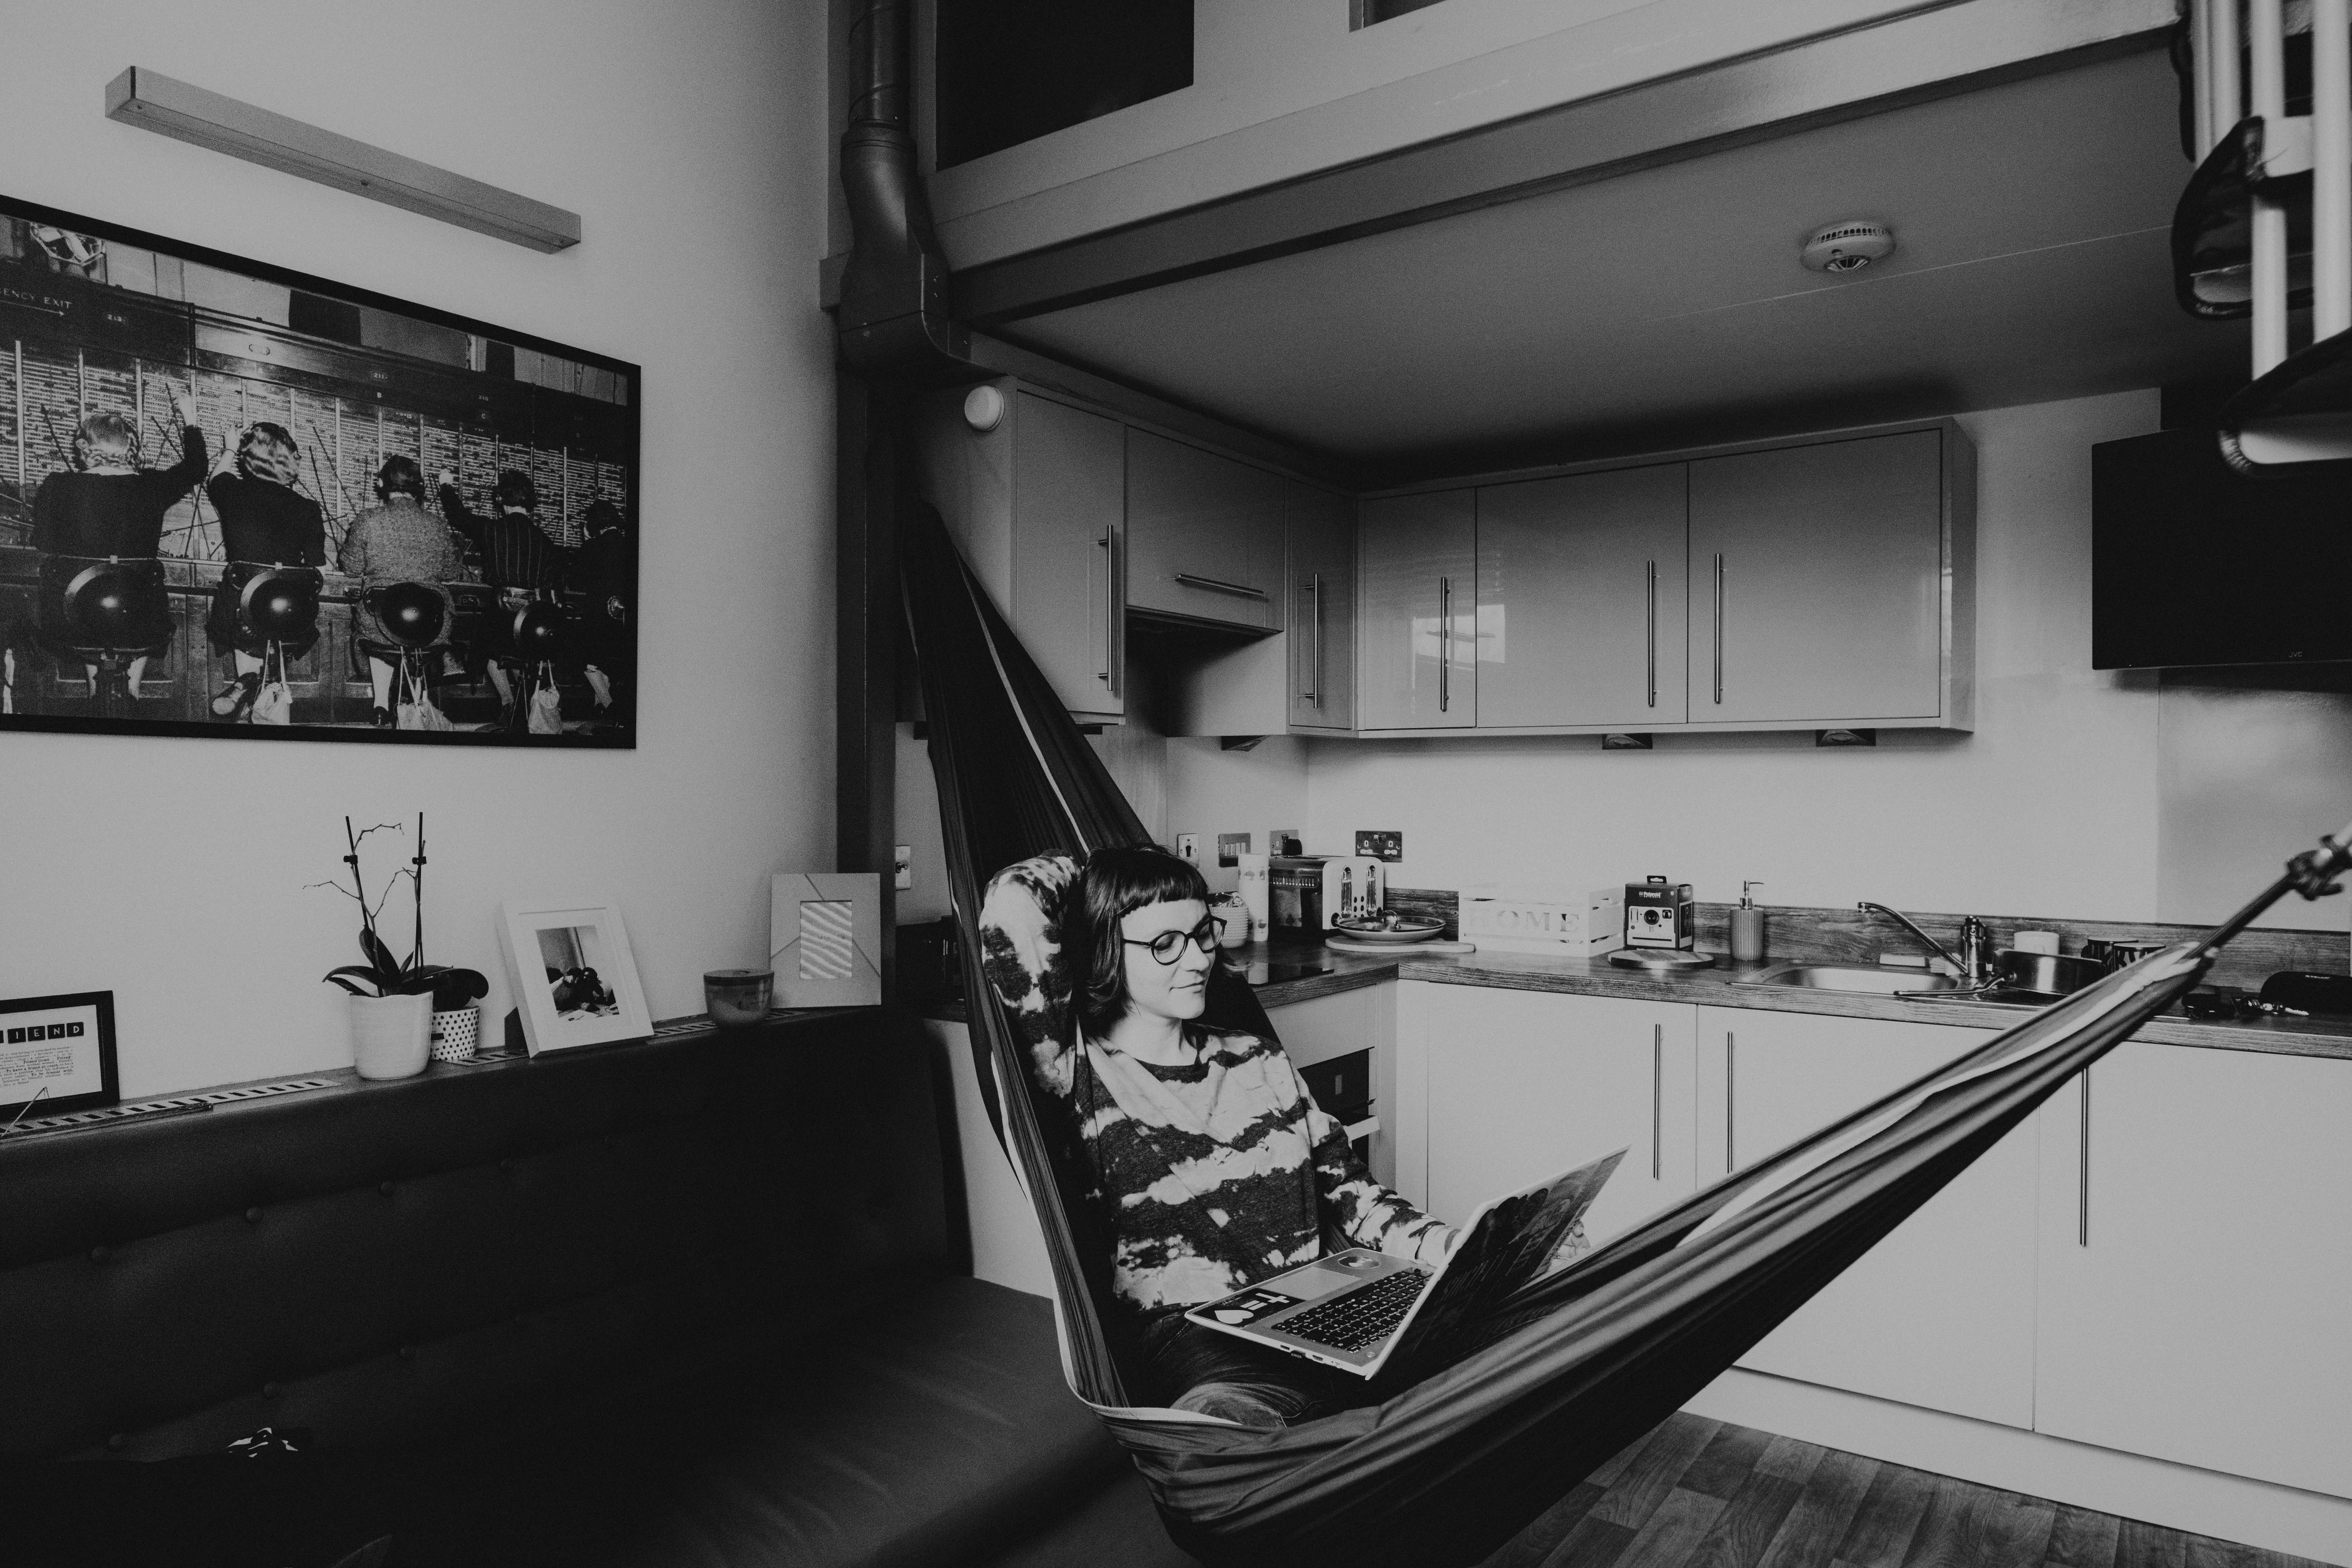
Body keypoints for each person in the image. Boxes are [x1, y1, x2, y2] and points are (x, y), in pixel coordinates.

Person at [981, 846, 1459, 1428]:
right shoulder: (1073, 1075)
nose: (1197, 960)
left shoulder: (1256, 1058)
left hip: (1316, 1307)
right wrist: (1115, 873)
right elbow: (1013, 902)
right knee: (1233, 1428)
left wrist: (1457, 1250)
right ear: (1105, 949)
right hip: (1196, 1344)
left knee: (1489, 1344)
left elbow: (1354, 1195)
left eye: (1203, 934)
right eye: (1164, 945)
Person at [30, 395, 206, 698]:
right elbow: (196, 468)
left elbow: (45, 542)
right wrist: (189, 416)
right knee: (133, 612)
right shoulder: (152, 486)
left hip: (73, 615)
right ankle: (132, 692)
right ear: (128, 446)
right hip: (140, 616)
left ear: (84, 447)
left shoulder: (56, 486)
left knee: (83, 607)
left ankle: (96, 691)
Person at [203, 422, 326, 721]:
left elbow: (216, 476)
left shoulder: (232, 491)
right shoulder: (308, 508)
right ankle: (263, 688)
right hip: (290, 614)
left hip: (239, 610)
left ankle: (248, 682)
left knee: (248, 614)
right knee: (279, 618)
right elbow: (318, 569)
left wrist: (230, 446)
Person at [339, 456, 462, 728]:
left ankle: (381, 705)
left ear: (382, 484)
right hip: (431, 624)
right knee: (417, 633)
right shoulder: (437, 525)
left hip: (379, 622)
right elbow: (453, 573)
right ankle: (418, 706)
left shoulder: (369, 519)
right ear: (418, 487)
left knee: (384, 637)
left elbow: (351, 568)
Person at [437, 467, 558, 721]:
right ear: (530, 503)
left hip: (502, 625)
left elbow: (458, 517)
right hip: (536, 630)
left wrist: (446, 486)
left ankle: (507, 702)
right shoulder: (546, 542)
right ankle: (525, 704)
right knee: (525, 652)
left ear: (501, 501)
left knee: (488, 650)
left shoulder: (491, 530)